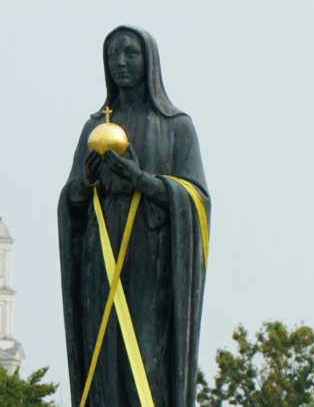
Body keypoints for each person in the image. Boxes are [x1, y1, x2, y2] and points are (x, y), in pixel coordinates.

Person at [57, 25, 210, 407]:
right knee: (103, 354)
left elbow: (196, 200)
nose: (120, 63)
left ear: (150, 62)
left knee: (146, 356)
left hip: (150, 260)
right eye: (112, 55)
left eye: (130, 54)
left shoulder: (177, 128)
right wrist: (86, 182)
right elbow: (72, 202)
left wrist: (143, 181)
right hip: (101, 253)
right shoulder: (95, 127)